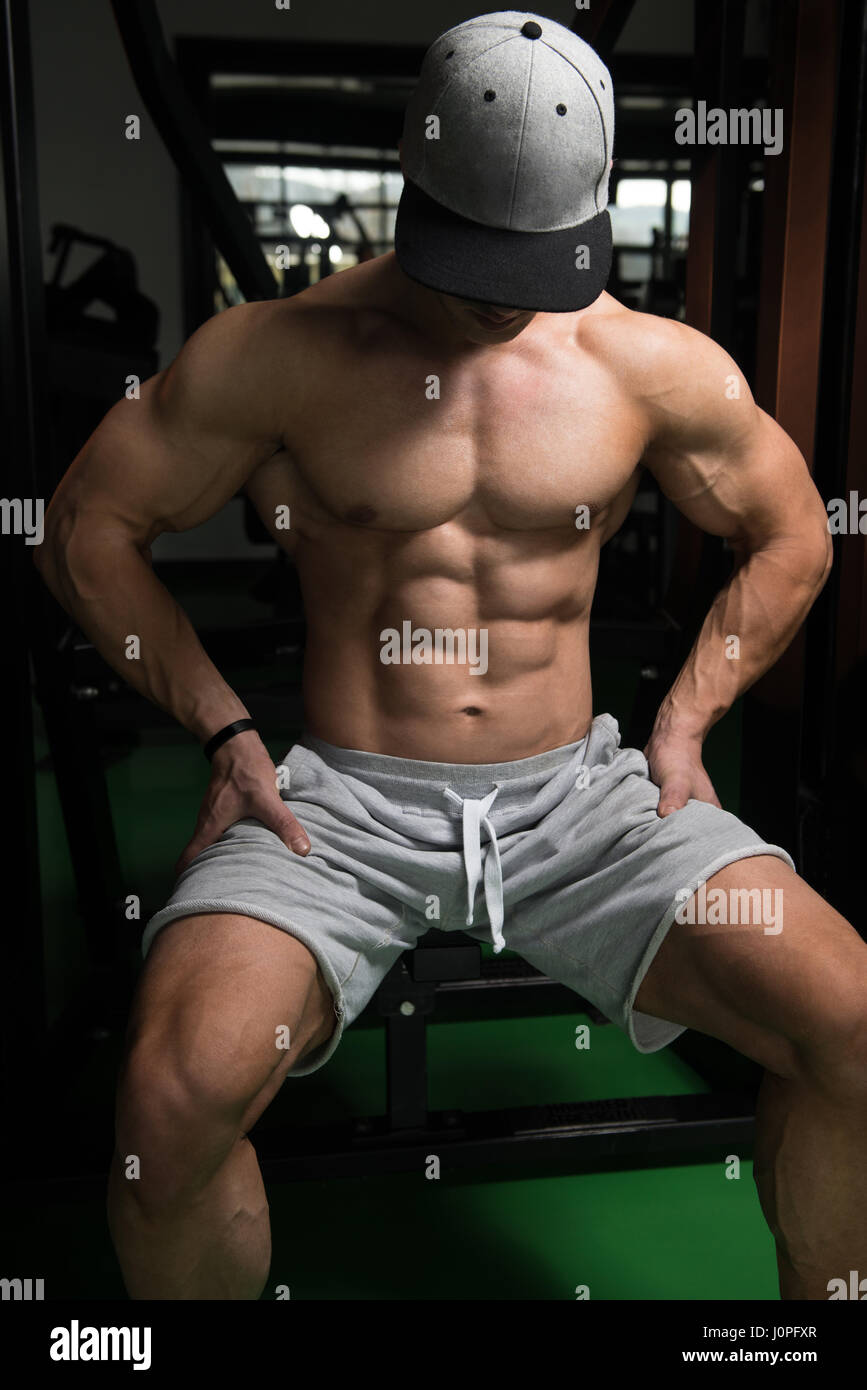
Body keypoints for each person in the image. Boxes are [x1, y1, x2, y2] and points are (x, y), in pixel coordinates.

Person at [34, 12, 864, 1301]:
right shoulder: (275, 356)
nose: (491, 300)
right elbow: (87, 526)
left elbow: (795, 533)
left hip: (582, 805)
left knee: (855, 1025)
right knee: (168, 1105)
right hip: (341, 813)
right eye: (468, 258)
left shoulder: (648, 368)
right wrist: (223, 727)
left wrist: (686, 723)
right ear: (413, 183)